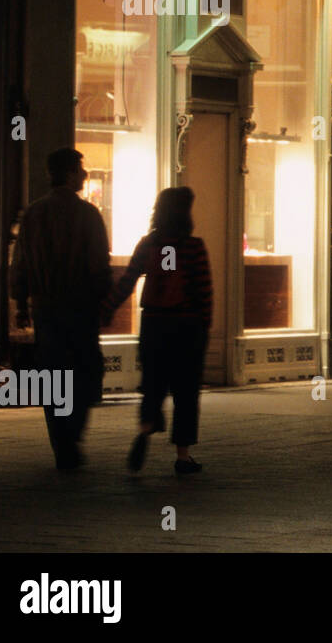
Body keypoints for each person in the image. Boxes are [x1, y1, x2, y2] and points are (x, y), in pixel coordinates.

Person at [9, 148, 112, 470]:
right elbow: (99, 266)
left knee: (53, 374)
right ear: (69, 173)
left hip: (46, 309)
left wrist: (22, 304)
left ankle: (61, 442)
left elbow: (20, 264)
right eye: (80, 169)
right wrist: (103, 302)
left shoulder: (33, 215)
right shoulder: (88, 215)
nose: (84, 175)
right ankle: (73, 433)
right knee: (85, 370)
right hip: (80, 308)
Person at [101, 187, 213, 475]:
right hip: (186, 326)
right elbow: (204, 291)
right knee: (186, 392)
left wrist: (108, 308)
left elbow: (127, 281)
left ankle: (146, 428)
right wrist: (204, 325)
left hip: (154, 324)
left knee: (153, 384)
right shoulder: (192, 246)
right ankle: (183, 455)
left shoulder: (148, 244)